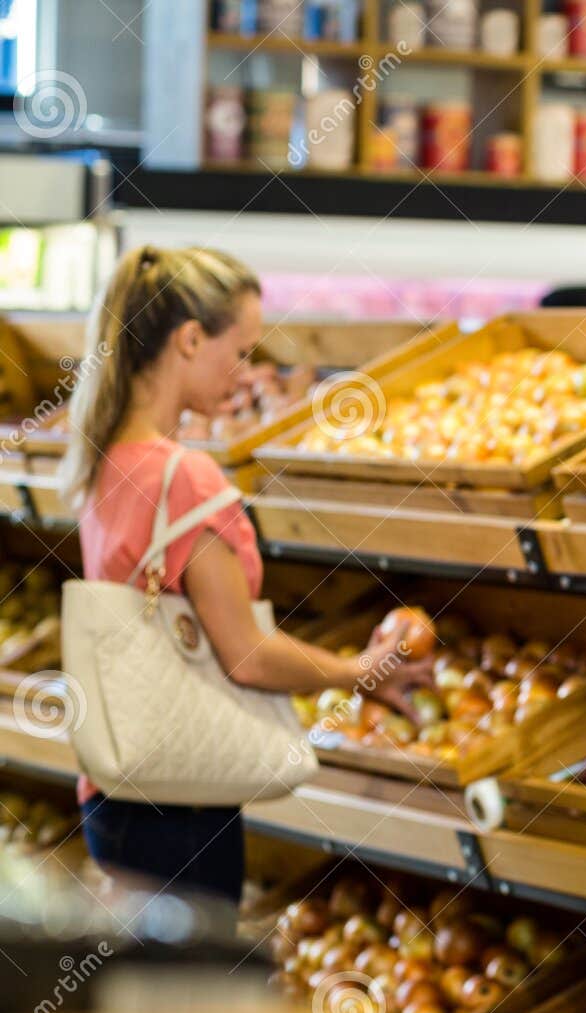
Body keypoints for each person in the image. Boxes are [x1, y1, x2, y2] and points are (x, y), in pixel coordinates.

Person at [62, 244, 427, 906]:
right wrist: (358, 671)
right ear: (190, 338)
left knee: (142, 997)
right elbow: (247, 656)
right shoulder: (185, 475)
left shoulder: (104, 455)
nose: (246, 370)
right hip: (181, 798)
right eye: (241, 349)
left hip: (114, 790)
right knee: (189, 1004)